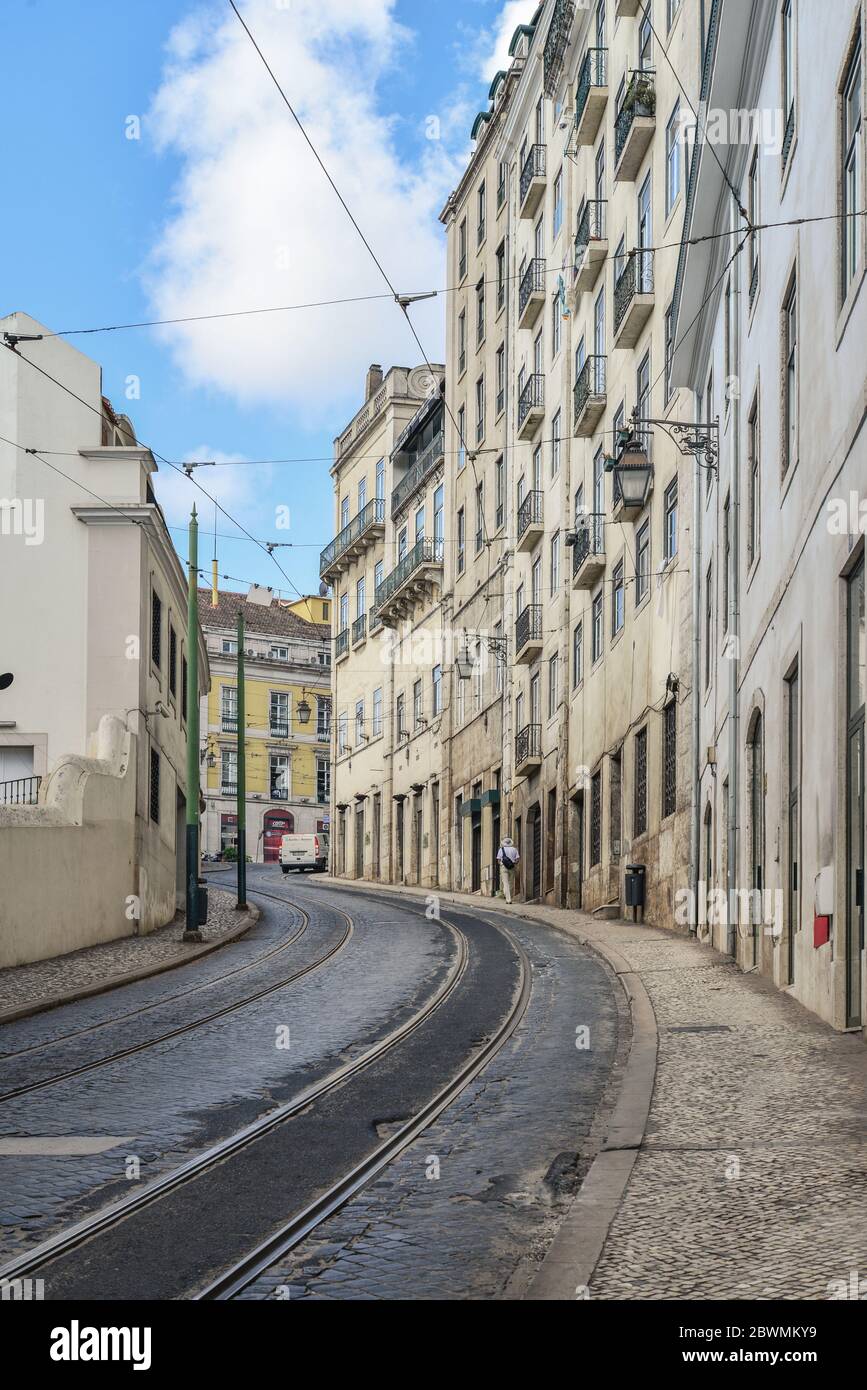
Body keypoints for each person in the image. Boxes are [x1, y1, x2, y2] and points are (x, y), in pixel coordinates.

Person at [496, 836, 519, 903]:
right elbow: (517, 860)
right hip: (512, 867)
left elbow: (498, 860)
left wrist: (501, 864)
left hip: (503, 867)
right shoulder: (514, 849)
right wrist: (513, 863)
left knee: (505, 883)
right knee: (511, 883)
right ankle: (510, 897)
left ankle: (508, 899)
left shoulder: (501, 849)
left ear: (504, 843)